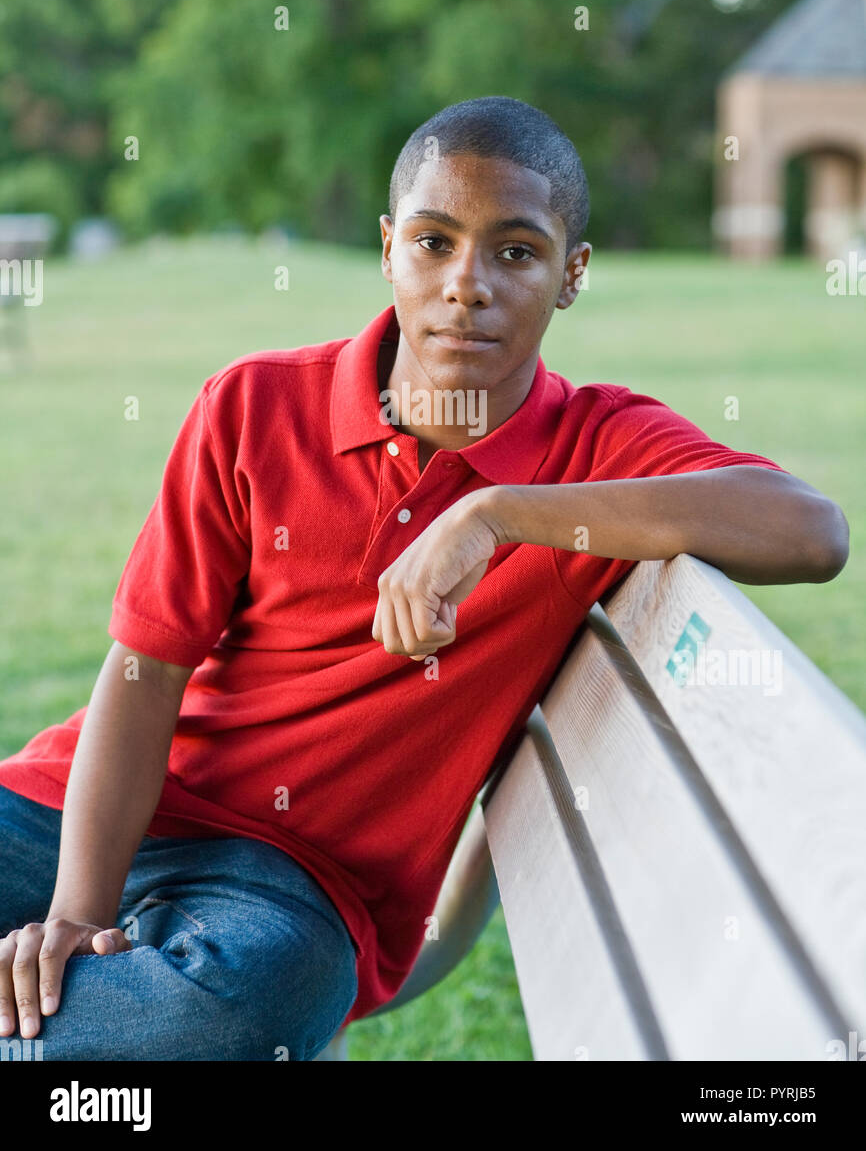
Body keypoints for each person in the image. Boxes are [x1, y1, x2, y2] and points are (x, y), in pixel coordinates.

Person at [0, 96, 849, 1061]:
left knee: (229, 1014)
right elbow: (146, 672)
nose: (467, 286)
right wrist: (77, 912)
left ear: (572, 275)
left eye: (517, 253)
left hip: (292, 883)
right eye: (434, 242)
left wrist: (497, 514)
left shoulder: (596, 449)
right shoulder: (252, 405)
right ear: (388, 248)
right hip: (73, 808)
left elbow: (812, 532)